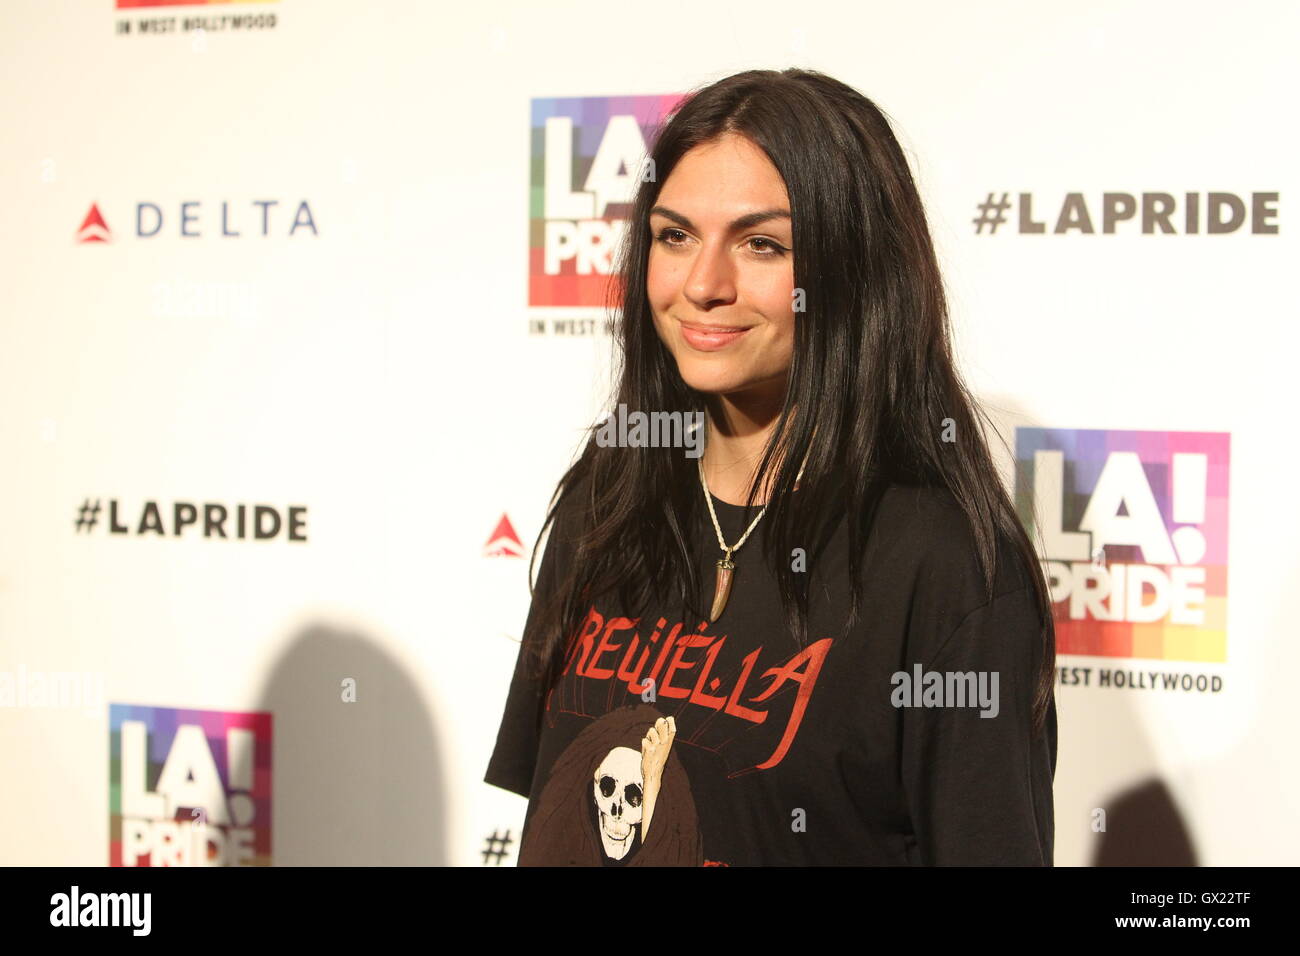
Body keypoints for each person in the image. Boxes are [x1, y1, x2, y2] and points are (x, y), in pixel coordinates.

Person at [485, 67, 1057, 866]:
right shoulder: (608, 499)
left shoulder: (940, 565)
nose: (702, 285)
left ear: (854, 270)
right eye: (675, 235)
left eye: (762, 244)